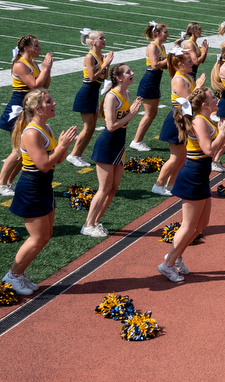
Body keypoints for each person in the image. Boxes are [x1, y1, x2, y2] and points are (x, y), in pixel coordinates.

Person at [157, 86, 225, 283]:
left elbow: (214, 150)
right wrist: (222, 133)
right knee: (188, 226)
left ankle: (176, 257)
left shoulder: (206, 120)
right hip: (192, 176)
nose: (217, 100)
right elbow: (209, 149)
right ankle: (168, 264)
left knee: (201, 224)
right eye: (213, 98)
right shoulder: (199, 121)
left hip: (201, 175)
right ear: (204, 104)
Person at [3, 90, 78, 296]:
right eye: (49, 101)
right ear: (38, 108)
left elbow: (57, 160)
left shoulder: (46, 127)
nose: (54, 103)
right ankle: (12, 276)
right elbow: (43, 165)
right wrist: (61, 146)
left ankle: (19, 274)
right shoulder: (31, 133)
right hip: (32, 187)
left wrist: (64, 146)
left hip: (44, 186)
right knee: (37, 238)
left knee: (46, 235)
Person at [83, 64, 144, 237]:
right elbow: (110, 126)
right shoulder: (111, 96)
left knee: (114, 187)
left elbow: (123, 122)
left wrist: (130, 114)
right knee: (104, 188)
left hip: (119, 144)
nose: (132, 73)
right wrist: (131, 114)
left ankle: (96, 222)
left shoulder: (128, 94)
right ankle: (87, 225)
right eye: (128, 72)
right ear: (119, 78)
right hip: (107, 144)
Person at [0, 36, 53, 197]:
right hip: (18, 109)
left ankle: (8, 182)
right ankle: (0, 183)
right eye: (36, 46)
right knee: (18, 149)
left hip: (29, 108)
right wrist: (45, 68)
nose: (39, 48)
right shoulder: (20, 65)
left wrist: (48, 69)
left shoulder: (33, 63)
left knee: (24, 150)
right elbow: (34, 85)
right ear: (26, 48)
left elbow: (44, 86)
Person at [151, 48, 196, 198]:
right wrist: (199, 87)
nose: (192, 63)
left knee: (182, 157)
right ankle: (158, 185)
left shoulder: (186, 76)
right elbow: (190, 102)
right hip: (177, 120)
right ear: (180, 64)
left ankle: (171, 185)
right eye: (189, 61)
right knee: (175, 157)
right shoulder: (178, 80)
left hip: (184, 119)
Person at [67, 29, 113, 167]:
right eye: (101, 38)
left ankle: (78, 154)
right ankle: (73, 155)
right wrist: (104, 64)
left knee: (91, 128)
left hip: (93, 93)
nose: (104, 40)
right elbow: (92, 77)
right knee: (87, 127)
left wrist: (107, 63)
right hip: (86, 93)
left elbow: (104, 77)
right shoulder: (90, 56)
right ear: (93, 42)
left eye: (103, 37)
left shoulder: (101, 56)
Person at [130, 21, 169, 152]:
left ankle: (139, 140)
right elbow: (154, 65)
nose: (168, 35)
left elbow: (164, 65)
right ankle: (136, 141)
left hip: (155, 81)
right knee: (149, 114)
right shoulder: (153, 46)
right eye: (165, 32)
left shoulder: (162, 46)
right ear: (157, 33)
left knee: (153, 113)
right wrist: (170, 58)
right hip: (149, 81)